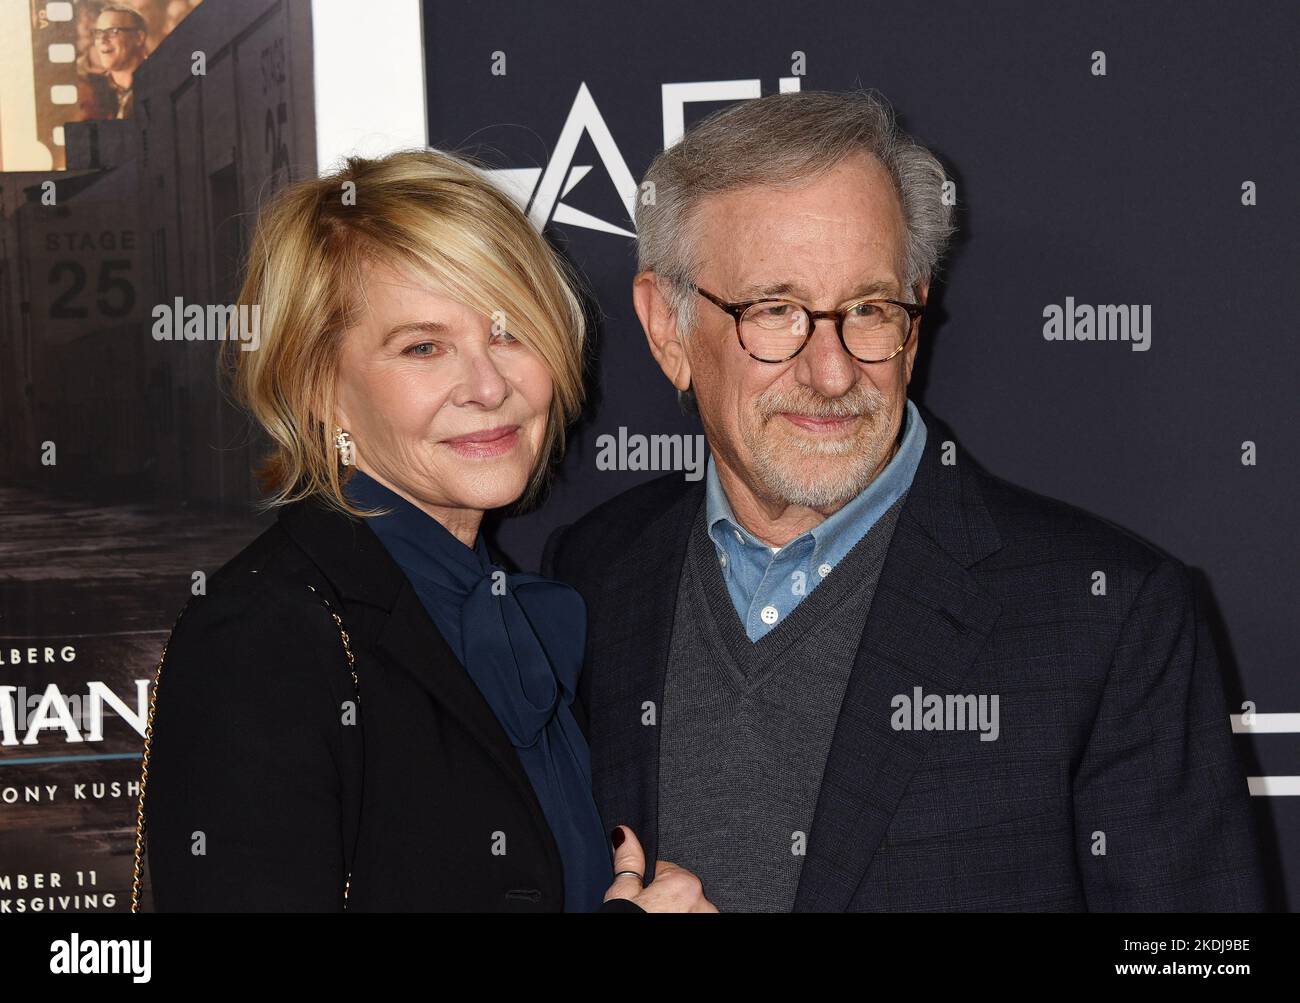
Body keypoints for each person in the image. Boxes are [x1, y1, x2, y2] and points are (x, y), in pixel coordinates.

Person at [543, 89, 1268, 912]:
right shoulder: (594, 573)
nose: (833, 372)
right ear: (668, 330)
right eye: (776, 312)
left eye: (868, 309)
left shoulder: (1108, 616)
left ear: (915, 319)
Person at [139, 148, 714, 913]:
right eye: (423, 347)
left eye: (510, 333)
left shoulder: (538, 610)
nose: (488, 386)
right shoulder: (262, 637)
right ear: (322, 388)